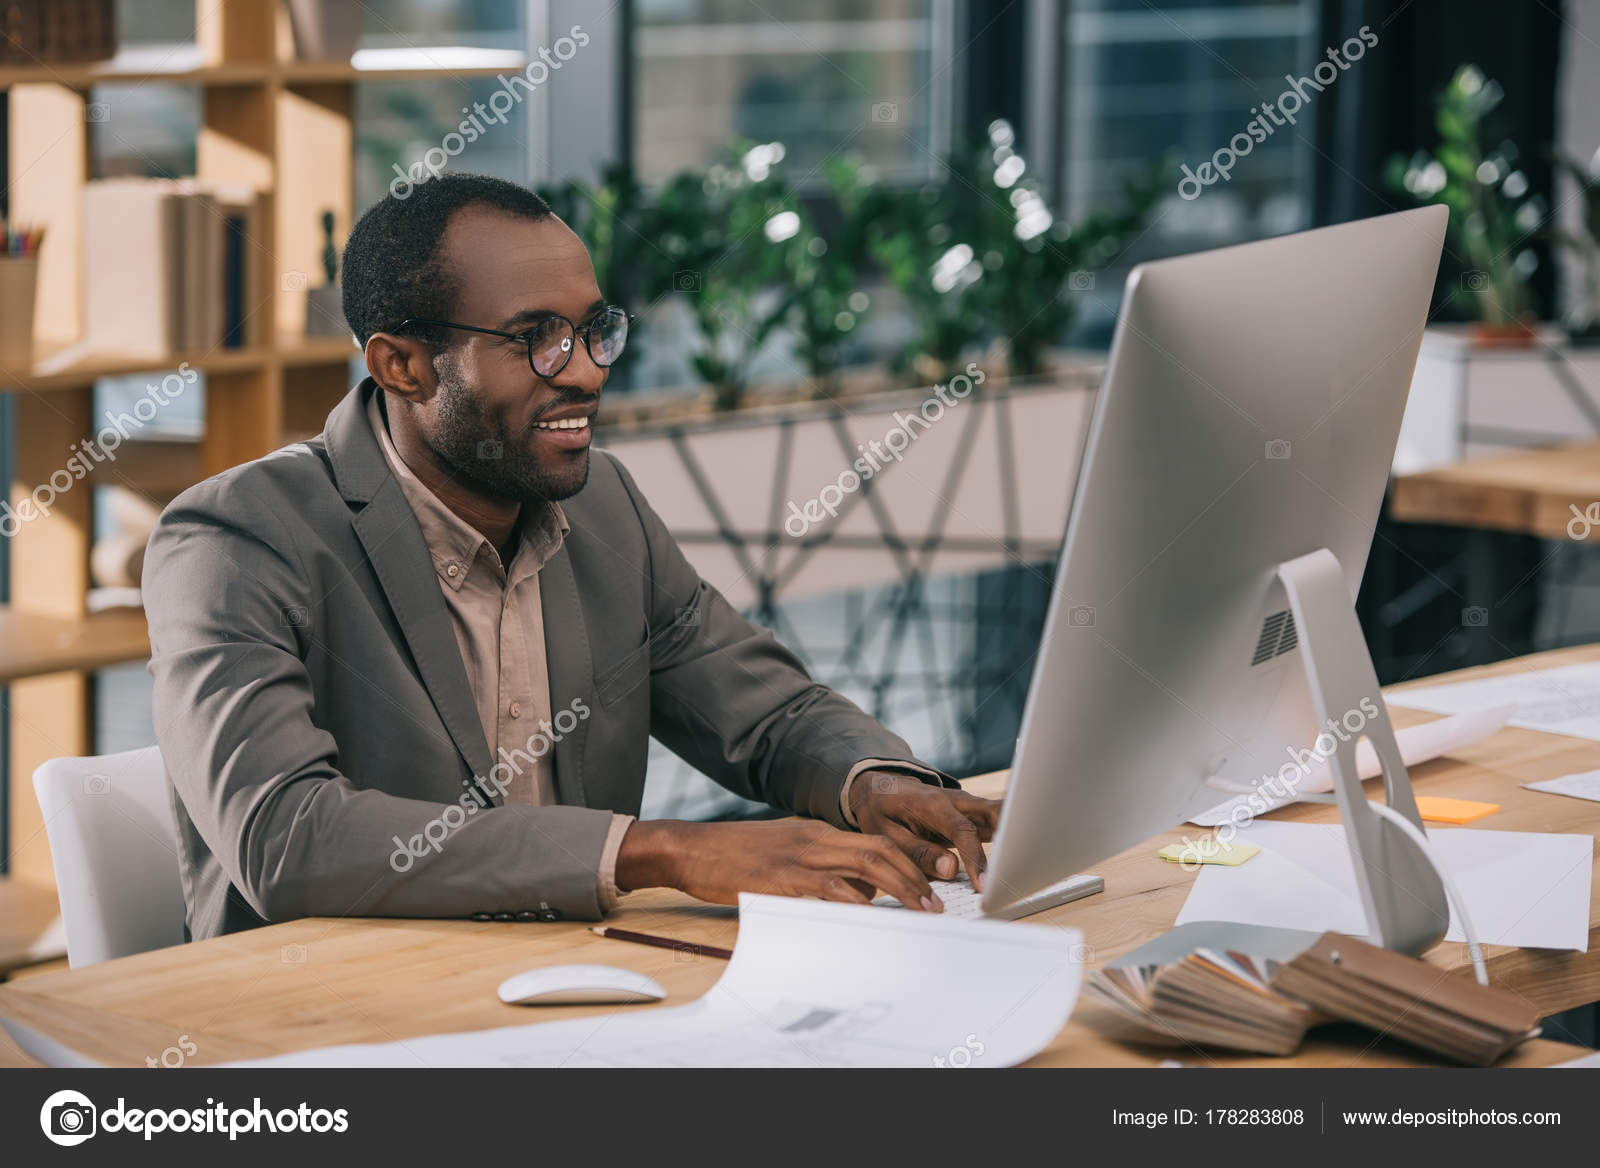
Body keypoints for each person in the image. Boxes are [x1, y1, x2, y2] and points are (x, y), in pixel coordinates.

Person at [144, 173, 1001, 940]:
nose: (587, 373)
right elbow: (286, 837)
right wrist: (657, 851)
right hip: (323, 1028)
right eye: (537, 339)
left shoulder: (602, 506)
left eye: (596, 331)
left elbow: (766, 714)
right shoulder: (235, 539)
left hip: (580, 990)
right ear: (402, 365)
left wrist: (877, 782)